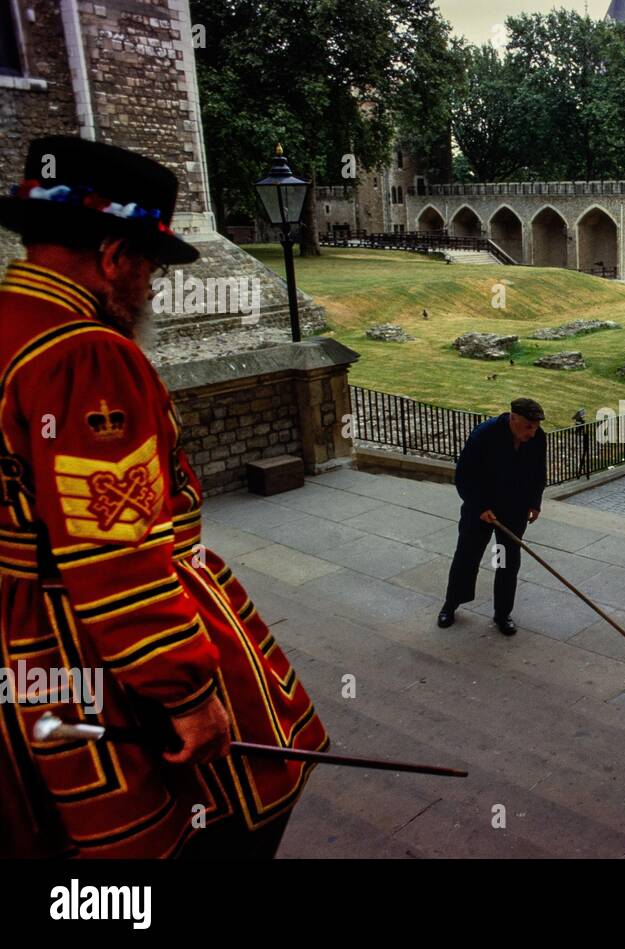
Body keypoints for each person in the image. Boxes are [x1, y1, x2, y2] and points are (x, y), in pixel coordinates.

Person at [0, 136, 327, 858]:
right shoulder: (84, 352)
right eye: (148, 263)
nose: (151, 284)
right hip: (77, 641)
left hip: (18, 644)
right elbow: (114, 554)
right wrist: (185, 692)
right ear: (115, 257)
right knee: (229, 806)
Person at [438, 398, 546, 635]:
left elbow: (538, 472)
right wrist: (480, 506)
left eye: (536, 426)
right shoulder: (484, 434)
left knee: (506, 560)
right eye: (528, 426)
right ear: (513, 418)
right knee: (468, 556)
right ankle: (451, 604)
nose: (533, 432)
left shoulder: (538, 438)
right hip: (481, 508)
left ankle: (502, 613)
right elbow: (464, 475)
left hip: (514, 509)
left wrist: (534, 502)